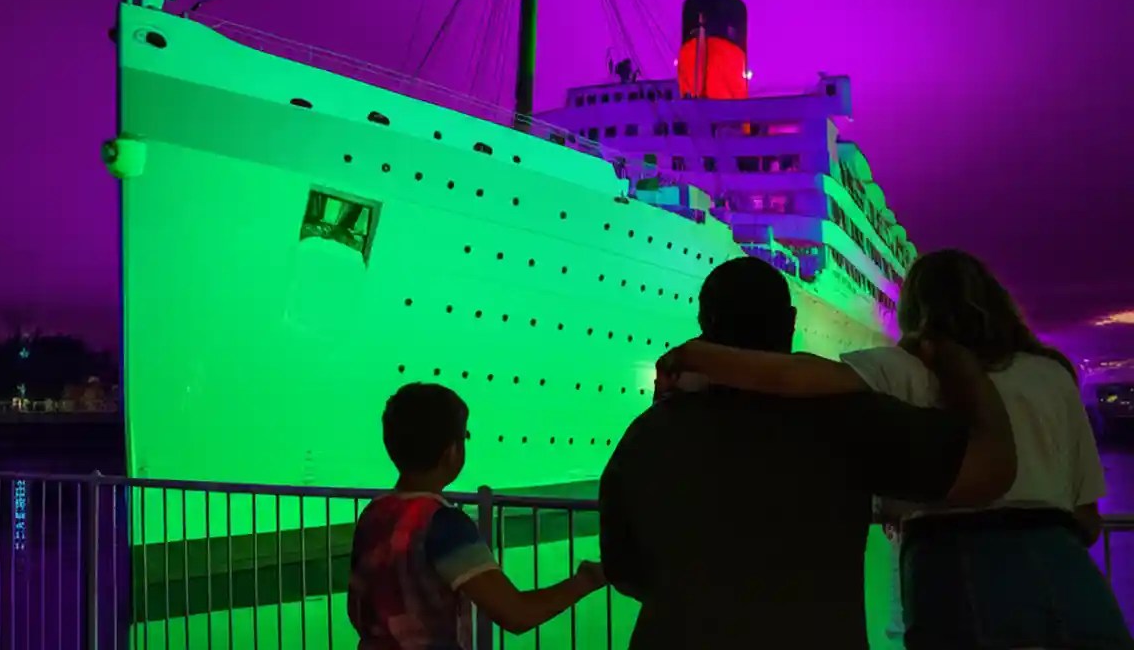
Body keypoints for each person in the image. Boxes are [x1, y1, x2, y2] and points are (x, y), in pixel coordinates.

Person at [658, 249, 1131, 649]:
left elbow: (790, 376)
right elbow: (1087, 518)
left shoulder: (902, 368)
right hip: (1069, 572)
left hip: (956, 572)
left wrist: (694, 356)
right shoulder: (1052, 373)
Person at [599, 256, 1016, 650]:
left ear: (704, 324)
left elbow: (624, 570)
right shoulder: (849, 417)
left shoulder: (647, 435)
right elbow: (992, 470)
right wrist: (958, 362)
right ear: (791, 323)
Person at [348, 383, 606, 650]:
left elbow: (357, 608)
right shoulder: (444, 524)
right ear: (452, 452)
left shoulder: (374, 513)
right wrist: (585, 581)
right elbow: (516, 614)